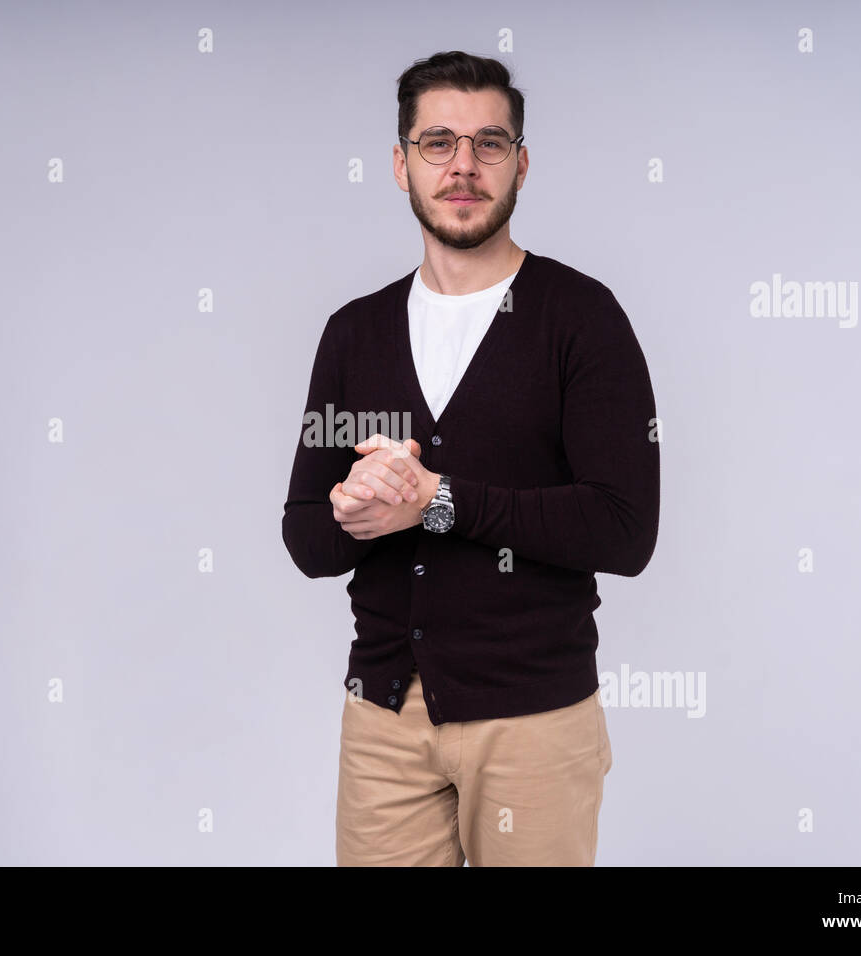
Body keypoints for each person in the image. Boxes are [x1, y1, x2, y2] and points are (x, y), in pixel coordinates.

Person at [281, 50, 660, 866]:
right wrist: (360, 511)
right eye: (437, 142)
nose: (462, 166)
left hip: (533, 721)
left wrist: (439, 499)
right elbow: (307, 537)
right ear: (399, 164)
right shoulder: (354, 334)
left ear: (522, 163)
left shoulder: (581, 318)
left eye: (489, 143)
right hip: (383, 720)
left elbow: (625, 530)